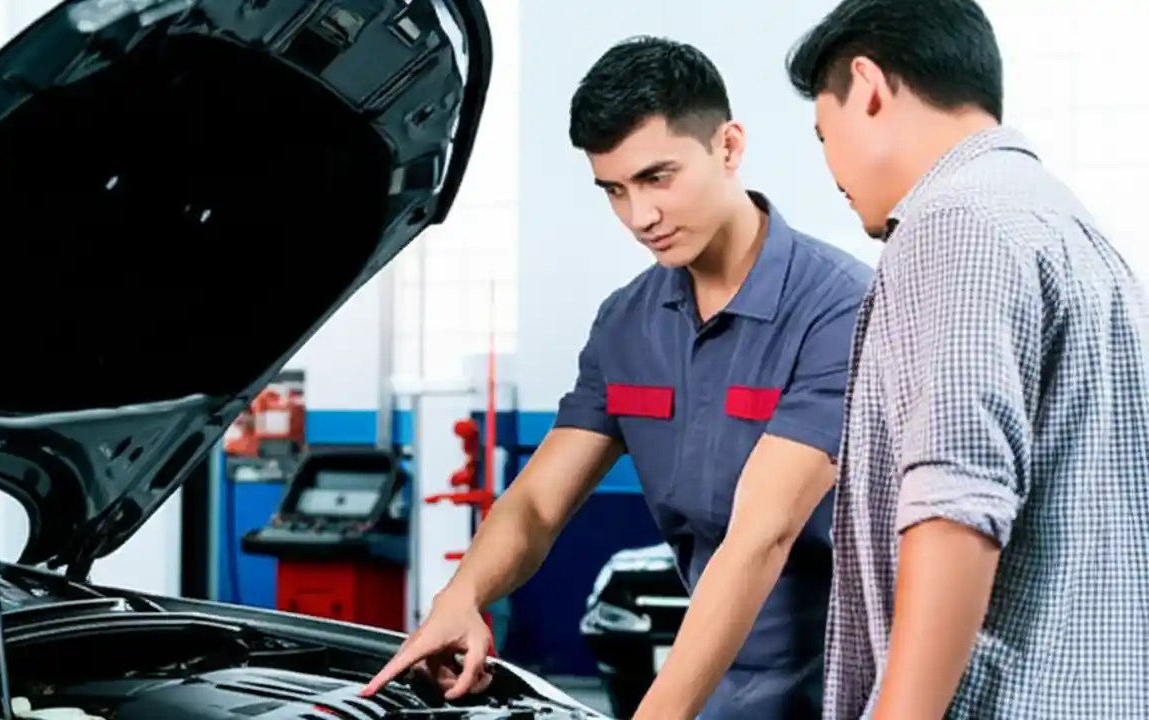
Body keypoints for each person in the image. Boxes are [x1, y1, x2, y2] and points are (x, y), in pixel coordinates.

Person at [361, 36, 871, 718]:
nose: (640, 217)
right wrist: (463, 596)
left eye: (658, 177)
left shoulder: (841, 307)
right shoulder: (627, 324)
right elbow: (539, 502)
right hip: (720, 684)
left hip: (856, 690)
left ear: (728, 146)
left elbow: (764, 534)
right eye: (614, 190)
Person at [785, 1, 1149, 718]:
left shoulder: (956, 223)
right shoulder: (1073, 229)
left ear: (868, 86)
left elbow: (956, 509)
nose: (829, 166)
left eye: (824, 133)